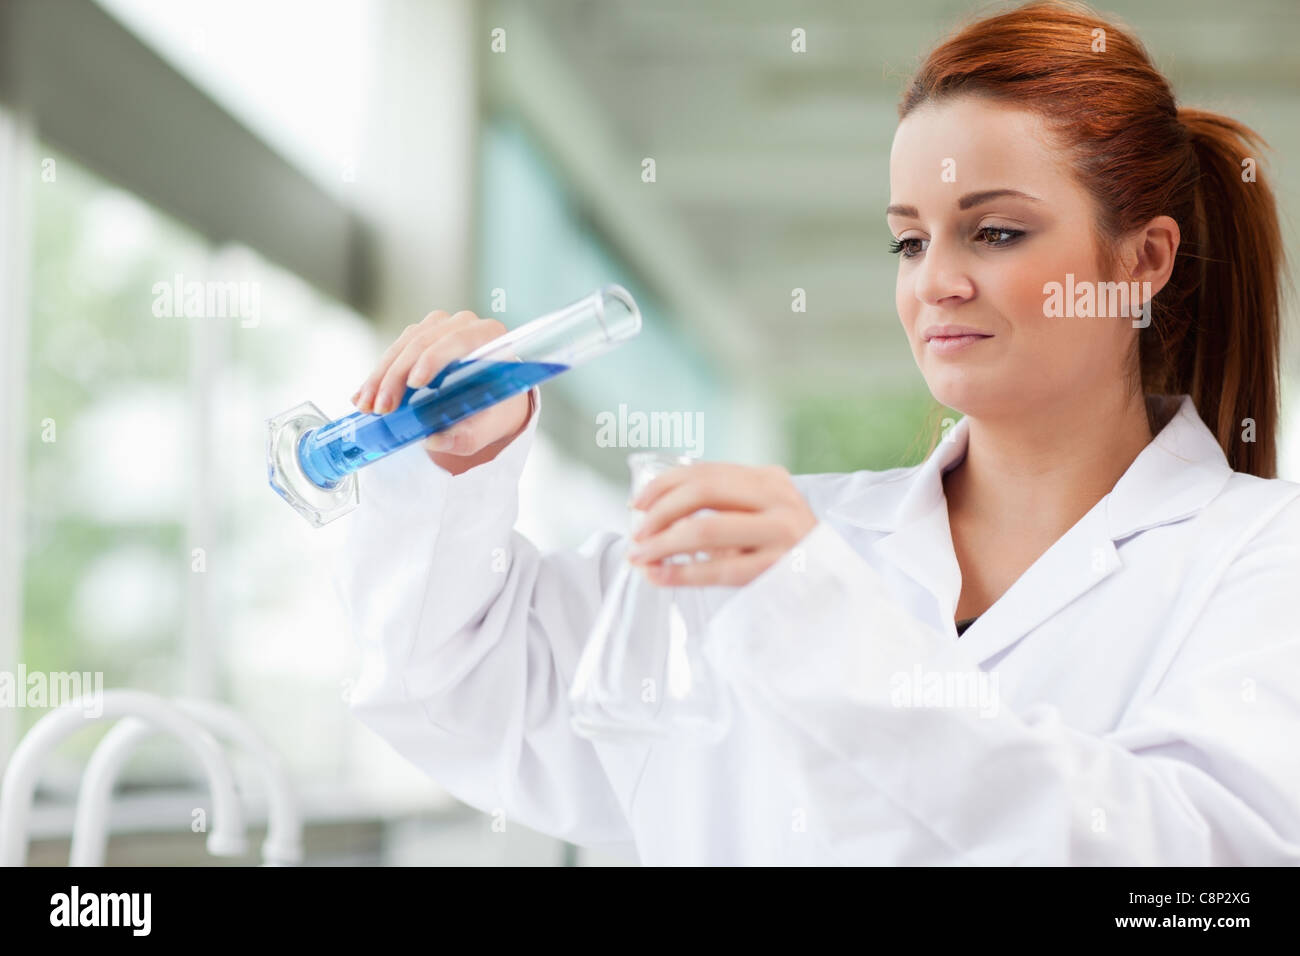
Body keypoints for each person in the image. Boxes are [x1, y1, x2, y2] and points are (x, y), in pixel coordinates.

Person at [334, 0, 1300, 864]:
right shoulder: (770, 549)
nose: (936, 282)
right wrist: (457, 467)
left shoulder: (1261, 558)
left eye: (995, 231)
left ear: (1142, 260)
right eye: (910, 240)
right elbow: (455, 694)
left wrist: (825, 631)